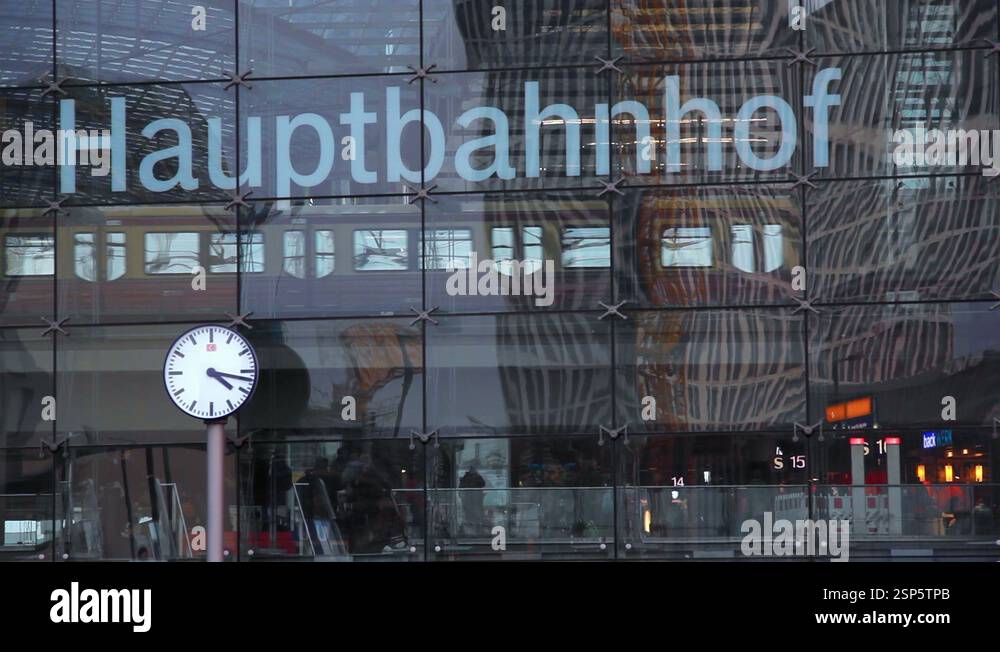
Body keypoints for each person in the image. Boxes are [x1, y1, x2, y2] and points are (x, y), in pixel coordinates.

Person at [459, 466, 487, 537]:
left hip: (472, 499)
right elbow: (483, 484)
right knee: (473, 512)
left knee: (471, 513)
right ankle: (474, 529)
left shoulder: (466, 477)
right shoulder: (471, 477)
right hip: (473, 499)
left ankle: (474, 529)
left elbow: (483, 484)